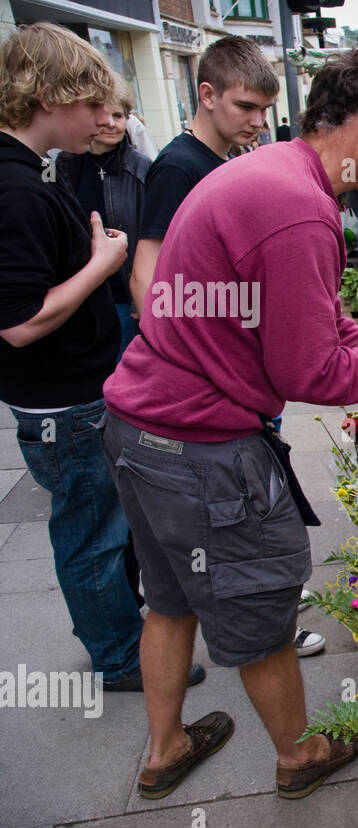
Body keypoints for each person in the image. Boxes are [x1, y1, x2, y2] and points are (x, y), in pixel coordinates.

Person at [101, 42, 358, 802]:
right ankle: (299, 755)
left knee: (172, 597)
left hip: (142, 429)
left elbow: (326, 332)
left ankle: (164, 749)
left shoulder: (277, 173)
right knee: (259, 615)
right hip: (200, 449)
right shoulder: (298, 210)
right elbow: (308, 373)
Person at [0, 22, 204, 693]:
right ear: (48, 95)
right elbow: (20, 323)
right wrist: (106, 263)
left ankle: (121, 631)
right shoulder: (18, 187)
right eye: (91, 104)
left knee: (101, 524)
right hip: (61, 401)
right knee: (92, 533)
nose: (103, 119)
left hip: (70, 393)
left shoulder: (30, 172)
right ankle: (119, 657)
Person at [129, 35, 279, 319]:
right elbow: (145, 272)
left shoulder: (230, 159)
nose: (258, 122)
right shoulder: (177, 166)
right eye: (246, 107)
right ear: (208, 95)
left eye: (264, 109)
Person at [56, 77, 150, 360]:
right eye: (104, 114)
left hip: (124, 295)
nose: (111, 123)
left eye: (119, 115)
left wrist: (142, 291)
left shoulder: (142, 168)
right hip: (79, 296)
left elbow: (153, 235)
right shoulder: (62, 164)